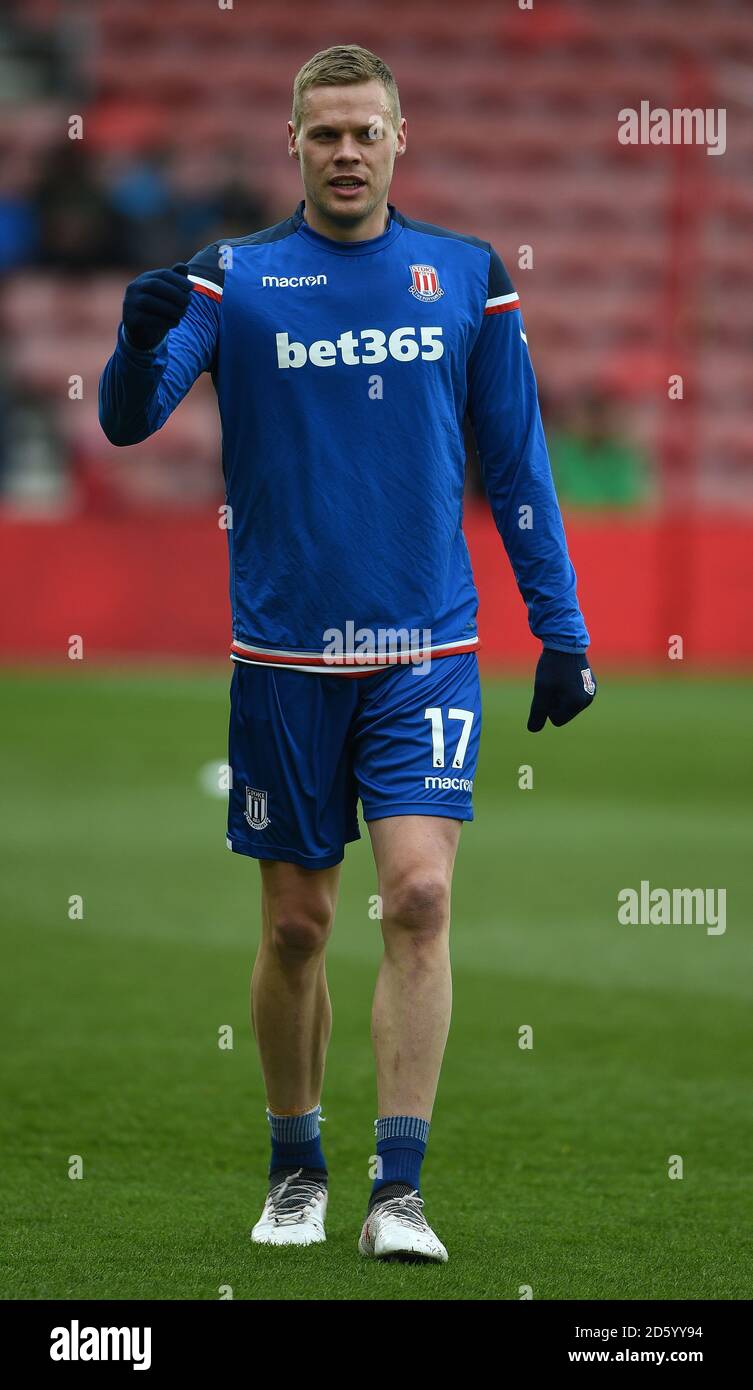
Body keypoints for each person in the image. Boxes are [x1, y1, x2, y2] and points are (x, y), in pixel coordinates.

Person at [98, 44, 597, 1264]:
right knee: (298, 930)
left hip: (427, 648)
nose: (346, 152)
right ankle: (294, 1164)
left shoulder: (465, 279)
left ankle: (399, 1190)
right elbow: (128, 418)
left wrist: (563, 626)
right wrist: (129, 336)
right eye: (323, 133)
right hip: (283, 659)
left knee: (420, 895)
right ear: (293, 144)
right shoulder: (234, 280)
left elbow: (518, 466)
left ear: (399, 138)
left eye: (365, 131)